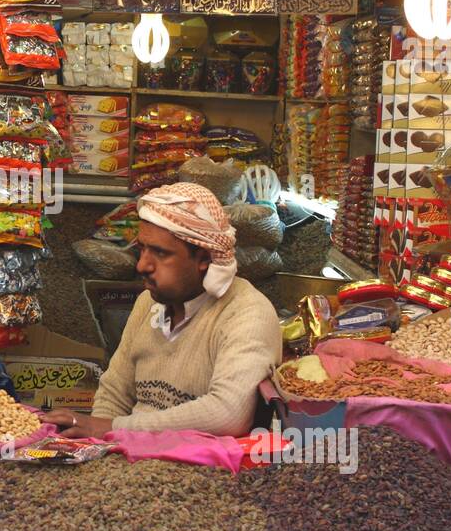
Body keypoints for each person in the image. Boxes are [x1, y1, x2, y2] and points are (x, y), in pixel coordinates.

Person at [42, 182, 282, 439]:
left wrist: (113, 429)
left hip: (203, 470)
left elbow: (228, 414)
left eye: (160, 253)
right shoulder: (149, 302)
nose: (143, 265)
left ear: (204, 258)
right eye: (142, 248)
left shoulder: (247, 313)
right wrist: (97, 442)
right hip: (132, 459)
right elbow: (114, 392)